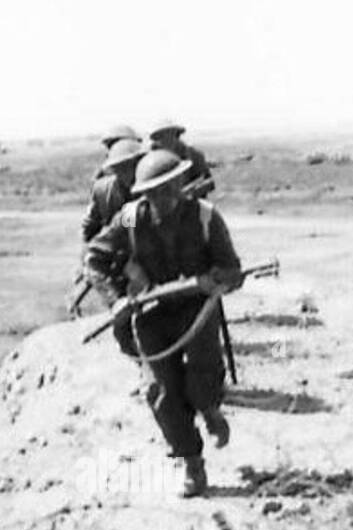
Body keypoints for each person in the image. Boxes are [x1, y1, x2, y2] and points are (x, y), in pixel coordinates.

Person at [84, 150, 243, 498]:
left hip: (197, 310)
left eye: (169, 188)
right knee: (161, 391)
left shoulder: (205, 217)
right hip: (150, 314)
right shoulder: (129, 219)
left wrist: (218, 279)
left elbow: (234, 271)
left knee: (202, 379)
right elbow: (95, 257)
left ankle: (208, 408)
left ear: (183, 183)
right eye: (154, 192)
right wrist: (116, 300)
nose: (163, 198)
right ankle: (192, 463)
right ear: (143, 194)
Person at [81, 138, 145, 242]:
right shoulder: (102, 190)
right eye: (120, 168)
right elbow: (90, 230)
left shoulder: (153, 189)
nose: (127, 172)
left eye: (130, 165)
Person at [148, 119, 213, 197]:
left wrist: (189, 193)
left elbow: (209, 182)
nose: (166, 139)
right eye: (161, 136)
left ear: (176, 134)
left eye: (169, 134)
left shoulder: (194, 155)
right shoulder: (150, 159)